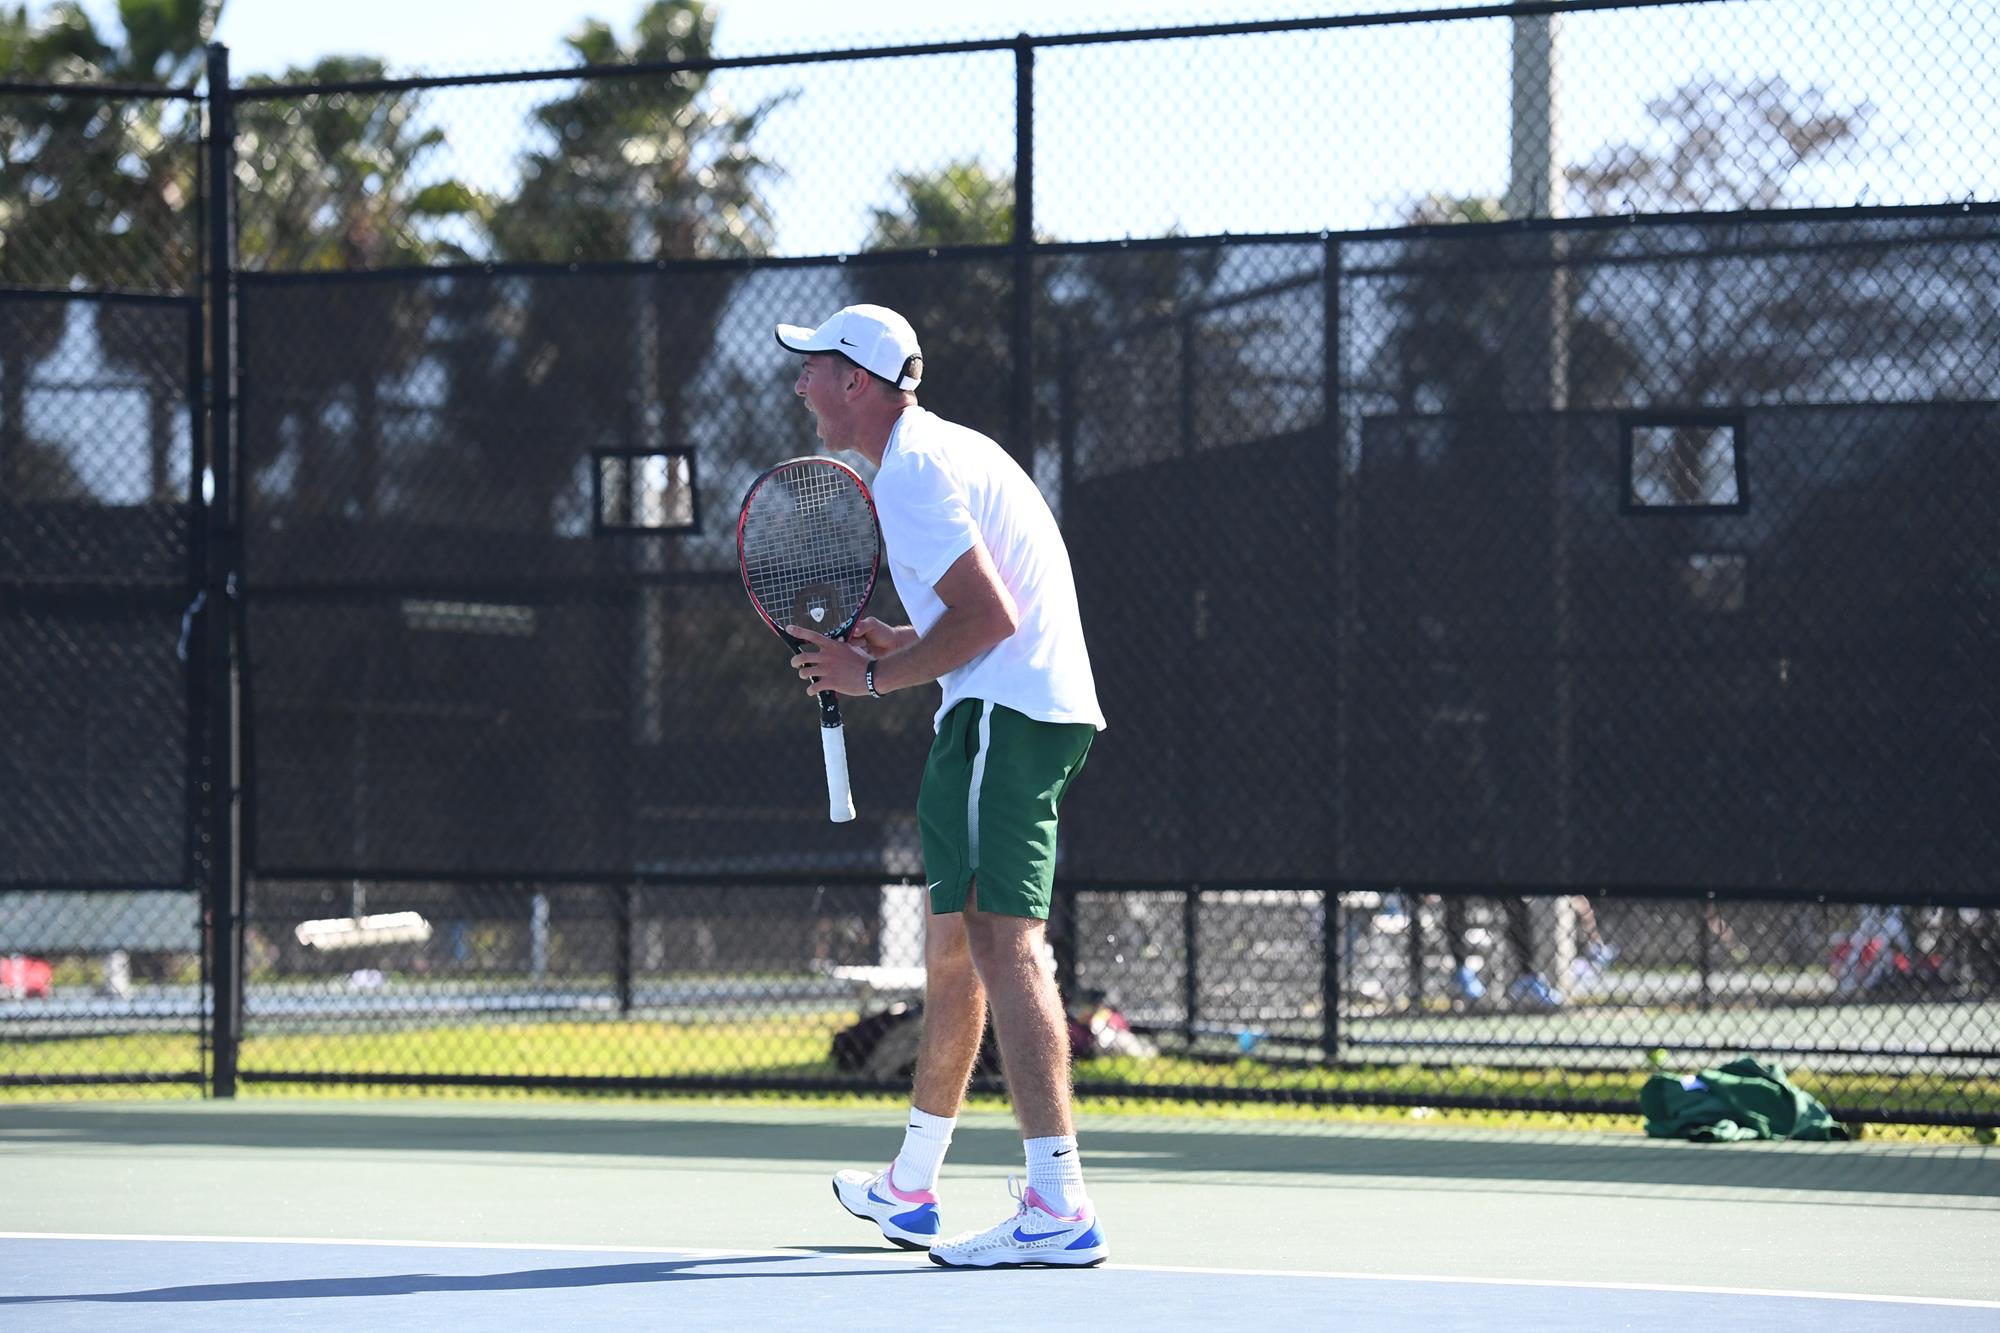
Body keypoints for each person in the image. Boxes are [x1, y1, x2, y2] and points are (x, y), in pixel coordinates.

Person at [774, 304, 1109, 1270]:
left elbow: (992, 617)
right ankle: (911, 1184)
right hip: (1003, 710)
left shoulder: (913, 470)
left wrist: (872, 674)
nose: (801, 383)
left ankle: (1059, 1202)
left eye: (814, 367)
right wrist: (904, 642)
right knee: (956, 948)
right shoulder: (936, 453)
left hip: (1008, 714)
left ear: (857, 382)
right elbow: (983, 611)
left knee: (1006, 945)